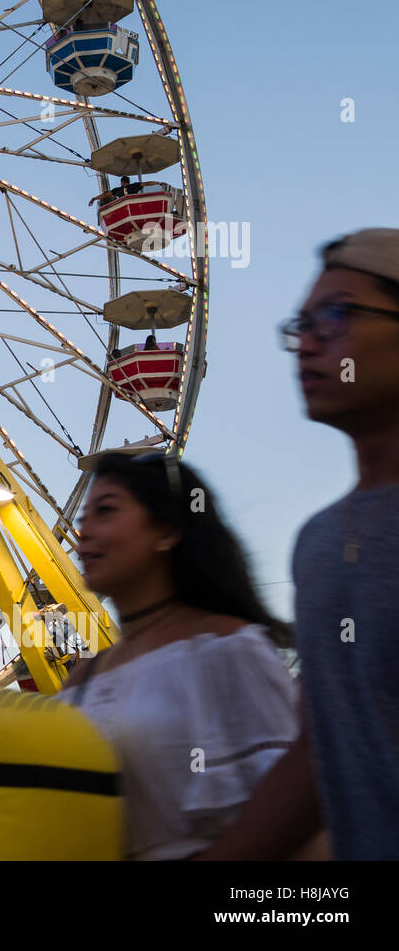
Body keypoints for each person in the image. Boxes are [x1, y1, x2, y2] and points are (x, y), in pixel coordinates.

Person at [205, 228, 399, 861]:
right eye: (301, 324)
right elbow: (322, 748)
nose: (307, 344)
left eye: (337, 315)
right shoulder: (318, 545)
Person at [57, 452, 297, 859]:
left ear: (166, 531)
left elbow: (292, 817)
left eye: (106, 512)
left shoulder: (228, 650)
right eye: (83, 518)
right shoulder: (81, 681)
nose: (83, 533)